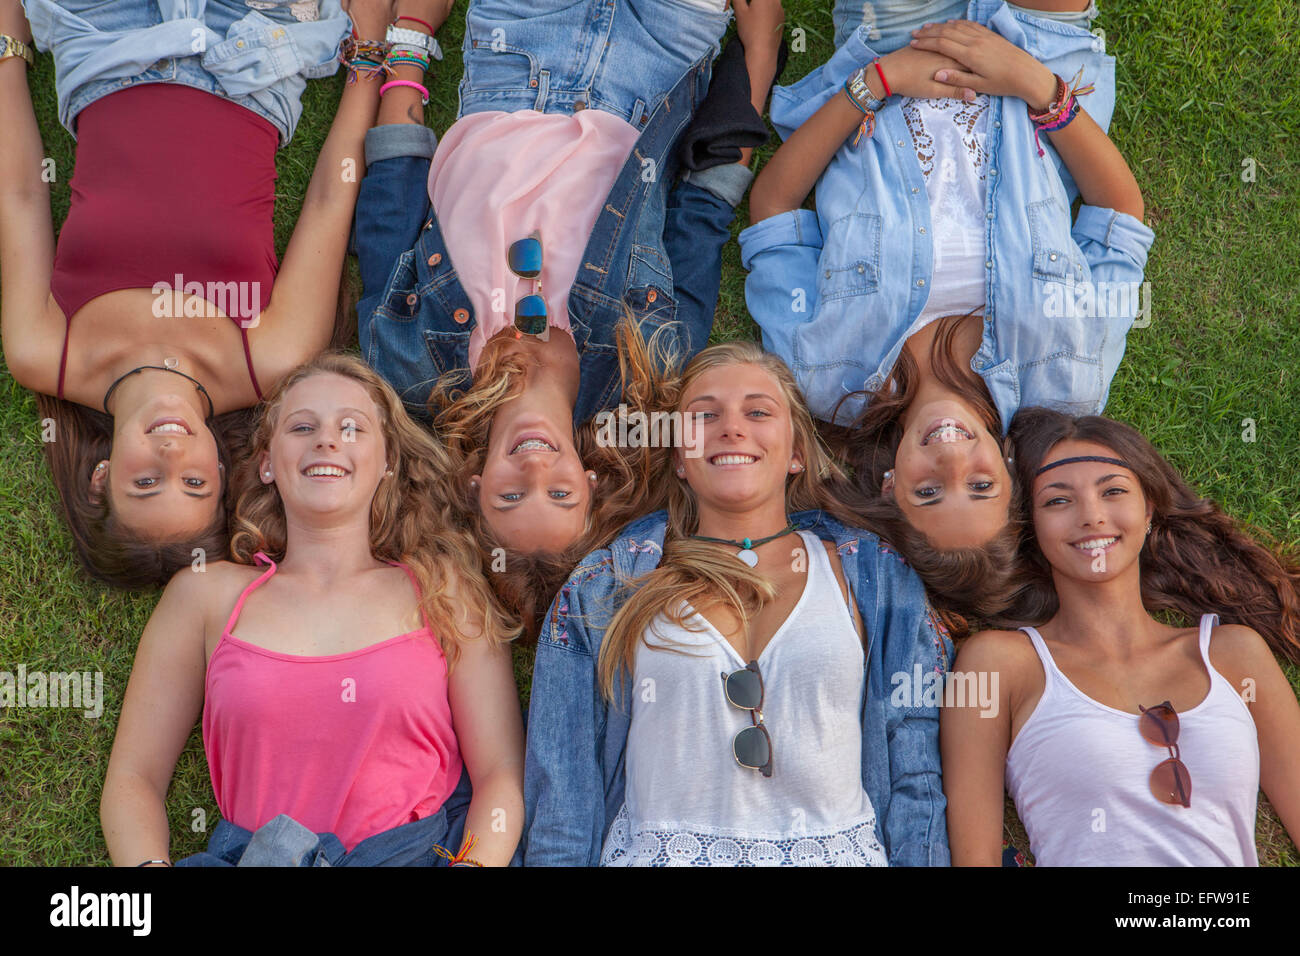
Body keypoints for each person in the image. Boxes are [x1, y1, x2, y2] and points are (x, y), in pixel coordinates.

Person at [352, 0, 787, 634]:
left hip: (514, 49)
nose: (535, 468)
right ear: (589, 483)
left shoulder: (408, 364)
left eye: (510, 495)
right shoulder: (655, 366)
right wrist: (759, 55)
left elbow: (392, 196)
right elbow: (704, 207)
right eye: (559, 494)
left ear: (473, 484)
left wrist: (412, 37)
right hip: (657, 66)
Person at [740, 0, 1152, 622]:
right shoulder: (1068, 380)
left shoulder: (827, 378)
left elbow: (773, 210)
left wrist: (874, 85)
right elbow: (1118, 218)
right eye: (980, 486)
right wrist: (1031, 82)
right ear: (1013, 476)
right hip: (1037, 67)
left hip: (895, 56)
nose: (952, 460)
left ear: (889, 486)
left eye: (929, 491)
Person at [521, 342, 951, 866]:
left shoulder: (874, 578)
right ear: (679, 457)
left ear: (796, 452)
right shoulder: (608, 585)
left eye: (758, 411)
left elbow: (915, 773)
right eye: (704, 415)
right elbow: (561, 786)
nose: (731, 427)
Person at [0, 0, 378, 588]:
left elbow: (22, 192)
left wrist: (8, 51)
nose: (171, 457)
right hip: (251, 52)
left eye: (145, 482)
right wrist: (369, 64)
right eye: (194, 483)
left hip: (103, 41)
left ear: (100, 478)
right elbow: (332, 196)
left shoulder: (47, 353)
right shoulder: (267, 360)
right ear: (224, 472)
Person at [100, 353, 524, 866]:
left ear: (387, 461)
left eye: (352, 427)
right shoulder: (205, 596)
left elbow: (501, 774)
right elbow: (134, 778)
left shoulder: (445, 591)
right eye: (303, 426)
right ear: (266, 462)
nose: (327, 440)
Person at [941, 407, 1300, 866]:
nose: (1091, 516)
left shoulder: (1233, 653)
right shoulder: (999, 664)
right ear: (1031, 526)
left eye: (1113, 491)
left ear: (1148, 509)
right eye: (1057, 501)